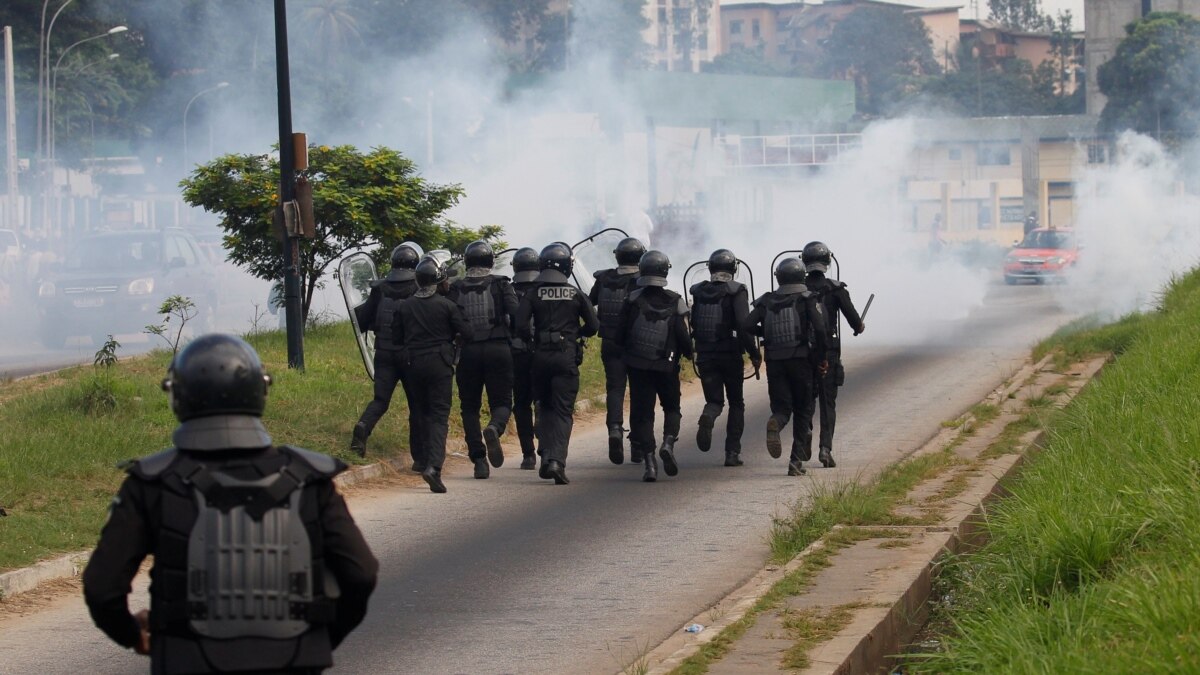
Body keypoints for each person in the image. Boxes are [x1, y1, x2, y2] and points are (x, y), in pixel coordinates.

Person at [82, 334, 378, 674]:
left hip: (187, 661)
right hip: (296, 660)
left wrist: (133, 635)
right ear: (260, 390)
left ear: (178, 396)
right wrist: (319, 639)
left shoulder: (153, 482)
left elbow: (102, 588)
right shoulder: (309, 478)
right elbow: (361, 574)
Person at [515, 242, 599, 485]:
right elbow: (593, 326)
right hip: (566, 358)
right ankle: (556, 461)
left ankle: (544, 456)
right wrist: (575, 334)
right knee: (563, 411)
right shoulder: (575, 294)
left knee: (544, 406)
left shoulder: (533, 293)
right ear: (566, 267)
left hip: (540, 358)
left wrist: (534, 340)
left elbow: (520, 325)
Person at [743, 258, 828, 476]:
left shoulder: (767, 300)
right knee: (803, 410)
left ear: (779, 277)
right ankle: (795, 461)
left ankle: (775, 422)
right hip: (801, 361)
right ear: (801, 276)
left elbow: (747, 326)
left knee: (782, 408)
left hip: (774, 363)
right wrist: (821, 358)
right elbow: (820, 330)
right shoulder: (807, 298)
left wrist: (765, 333)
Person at [396, 256, 473, 493]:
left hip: (413, 364)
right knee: (439, 416)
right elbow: (467, 332)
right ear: (439, 281)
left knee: (420, 412)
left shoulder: (405, 306)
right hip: (440, 364)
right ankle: (434, 467)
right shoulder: (447, 305)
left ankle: (421, 459)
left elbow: (397, 338)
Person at [616, 250, 693, 483]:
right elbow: (684, 337)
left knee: (643, 415)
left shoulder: (631, 300)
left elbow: (619, 335)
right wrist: (689, 354)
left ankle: (650, 464)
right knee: (672, 408)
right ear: (665, 271)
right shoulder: (676, 301)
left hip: (638, 367)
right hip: (666, 367)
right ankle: (668, 443)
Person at [447, 240, 519, 479]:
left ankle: (479, 460)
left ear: (467, 261)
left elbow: (448, 321)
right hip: (498, 349)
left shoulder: (455, 288)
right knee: (502, 402)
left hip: (467, 352)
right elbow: (516, 314)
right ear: (490, 261)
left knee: (469, 407)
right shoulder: (501, 284)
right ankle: (495, 428)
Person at [350, 243, 422, 464]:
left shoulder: (379, 289)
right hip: (410, 355)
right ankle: (419, 458)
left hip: (383, 352)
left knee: (380, 400)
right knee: (417, 405)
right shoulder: (419, 286)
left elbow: (362, 322)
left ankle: (363, 427)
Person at [689, 249, 759, 468]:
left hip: (705, 355)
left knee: (714, 401)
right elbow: (744, 326)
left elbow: (693, 322)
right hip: (730, 355)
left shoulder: (698, 291)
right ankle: (732, 452)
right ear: (733, 269)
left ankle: (709, 415)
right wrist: (754, 354)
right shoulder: (737, 291)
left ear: (711, 268)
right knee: (736, 402)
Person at [801, 242, 864, 469]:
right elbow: (854, 321)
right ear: (828, 262)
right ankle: (825, 449)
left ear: (804, 262)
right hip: (829, 352)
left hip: (803, 353)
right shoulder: (836, 289)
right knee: (828, 403)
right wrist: (859, 327)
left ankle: (805, 432)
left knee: (806, 399)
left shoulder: (798, 289)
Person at [589, 236, 646, 464]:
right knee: (639, 392)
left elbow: (590, 302)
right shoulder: (643, 280)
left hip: (610, 342)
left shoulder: (604, 278)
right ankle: (637, 445)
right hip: (636, 344)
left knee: (615, 388)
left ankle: (614, 429)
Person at [509, 247, 541, 470]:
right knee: (545, 398)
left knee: (521, 404)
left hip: (517, 354)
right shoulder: (544, 290)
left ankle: (528, 454)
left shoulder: (507, 290)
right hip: (543, 351)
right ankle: (546, 445)